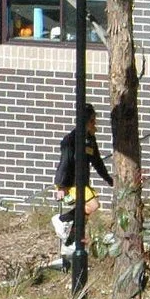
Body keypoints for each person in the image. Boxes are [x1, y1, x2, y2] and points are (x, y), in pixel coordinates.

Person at [54, 102, 108, 269]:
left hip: (82, 183)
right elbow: (64, 162)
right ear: (86, 121)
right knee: (93, 205)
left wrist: (109, 179)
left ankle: (70, 241)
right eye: (93, 121)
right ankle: (61, 219)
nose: (95, 125)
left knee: (85, 213)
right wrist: (61, 185)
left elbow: (97, 162)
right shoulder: (71, 140)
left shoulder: (89, 140)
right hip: (70, 183)